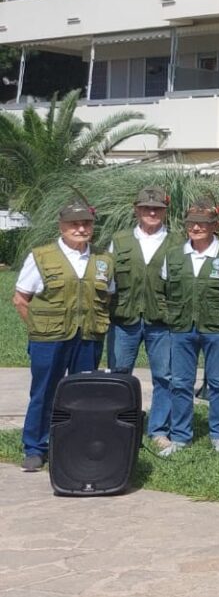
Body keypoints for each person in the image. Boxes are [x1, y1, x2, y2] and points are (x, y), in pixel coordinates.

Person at [12, 199, 112, 472]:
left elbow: (108, 296)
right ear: (62, 226)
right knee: (44, 392)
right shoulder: (42, 256)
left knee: (83, 394)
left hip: (88, 336)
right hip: (49, 339)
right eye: (74, 224)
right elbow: (21, 299)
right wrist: (38, 329)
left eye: (86, 223)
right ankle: (36, 447)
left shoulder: (103, 258)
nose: (81, 229)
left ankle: (76, 444)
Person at [109, 187, 180, 454]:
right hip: (124, 319)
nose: (152, 212)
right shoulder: (119, 240)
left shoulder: (177, 243)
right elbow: (107, 281)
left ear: (164, 211)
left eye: (158, 208)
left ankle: (159, 430)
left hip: (161, 320)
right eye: (146, 207)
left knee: (165, 377)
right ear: (136, 209)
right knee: (119, 375)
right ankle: (119, 424)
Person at [160, 201, 219, 455]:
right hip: (182, 327)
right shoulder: (174, 255)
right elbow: (164, 289)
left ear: (215, 226)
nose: (197, 227)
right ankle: (180, 436)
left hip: (218, 327)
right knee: (180, 382)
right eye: (191, 222)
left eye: (203, 223)